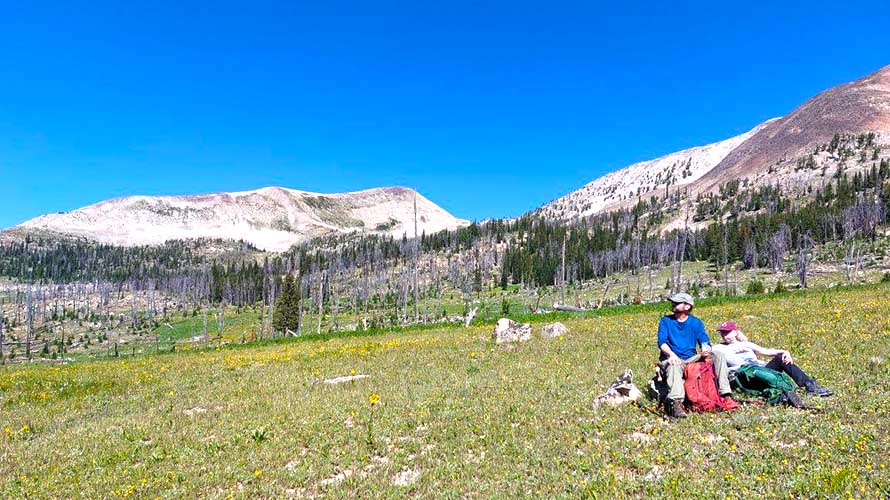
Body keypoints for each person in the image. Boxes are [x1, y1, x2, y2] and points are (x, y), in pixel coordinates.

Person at [657, 292, 733, 418]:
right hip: (671, 358)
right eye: (673, 302)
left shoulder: (696, 323)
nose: (673, 304)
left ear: (687, 306)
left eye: (677, 303)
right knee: (675, 365)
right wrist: (671, 355)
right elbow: (662, 343)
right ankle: (676, 403)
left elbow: (704, 340)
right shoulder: (665, 321)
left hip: (691, 358)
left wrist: (706, 349)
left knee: (718, 355)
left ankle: (725, 394)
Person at [712, 321, 833, 397]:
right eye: (722, 333)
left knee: (781, 358)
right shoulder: (719, 348)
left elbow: (767, 351)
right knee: (758, 371)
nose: (724, 335)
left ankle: (809, 385)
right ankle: (782, 391)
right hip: (745, 375)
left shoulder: (746, 344)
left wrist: (785, 352)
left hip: (762, 370)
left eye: (727, 332)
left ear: (735, 332)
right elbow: (709, 354)